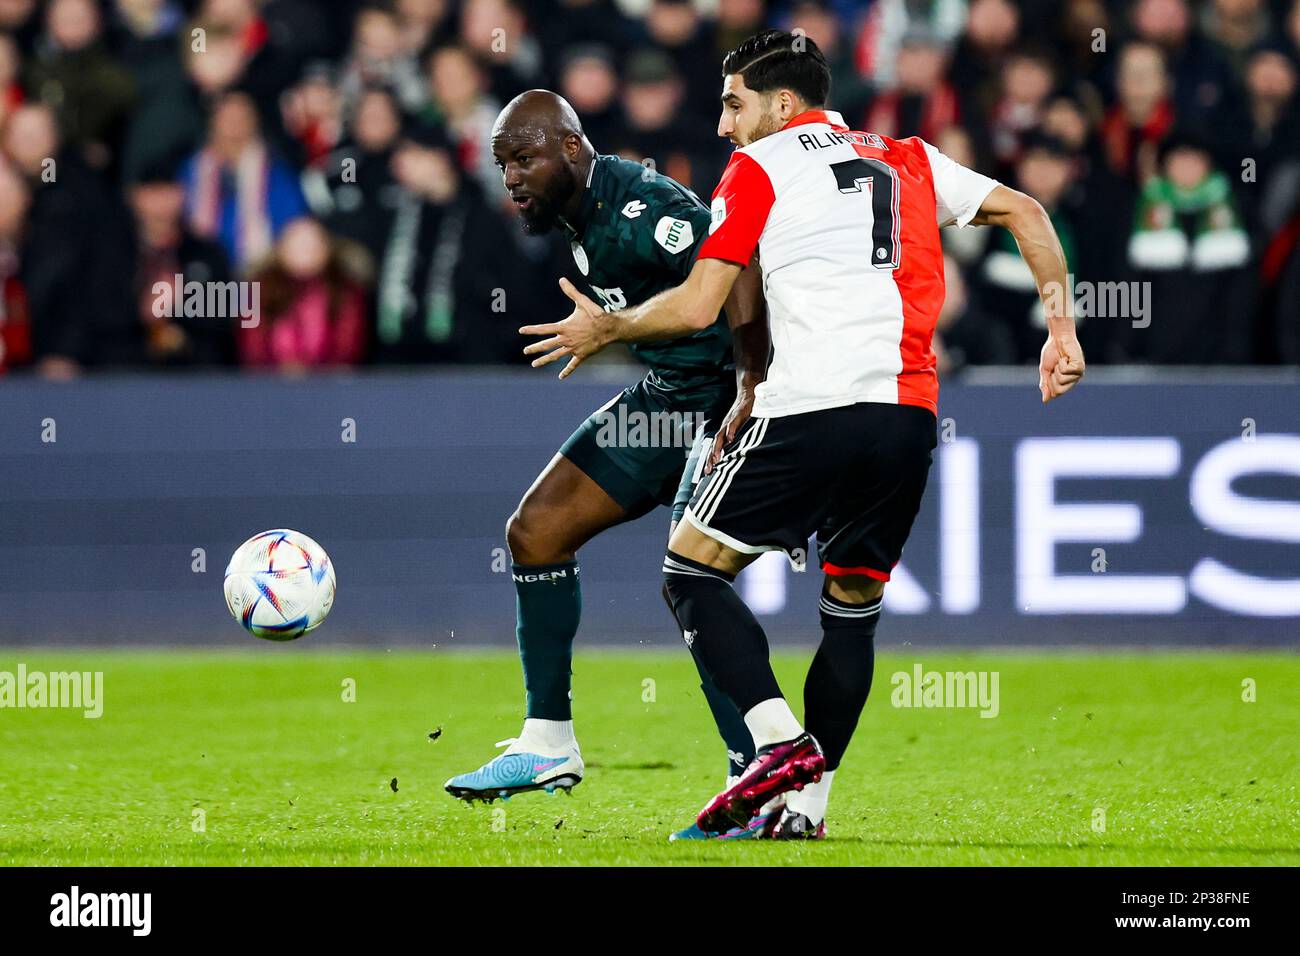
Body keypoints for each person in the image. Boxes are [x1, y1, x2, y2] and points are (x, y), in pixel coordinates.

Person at [522, 30, 1084, 838]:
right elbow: (1026, 211)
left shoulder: (757, 169)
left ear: (782, 105)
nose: (723, 125)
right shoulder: (909, 155)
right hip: (907, 415)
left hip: (809, 406)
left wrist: (607, 328)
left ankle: (778, 742)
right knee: (851, 604)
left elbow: (695, 307)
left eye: (734, 104)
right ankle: (804, 809)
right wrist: (1061, 332)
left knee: (691, 570)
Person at [443, 89, 776, 842]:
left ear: (569, 148)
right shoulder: (577, 214)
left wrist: (753, 388)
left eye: (523, 158)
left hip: (723, 397)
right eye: (501, 166)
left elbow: (741, 265)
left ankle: (755, 772)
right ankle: (548, 743)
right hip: (668, 397)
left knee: (694, 580)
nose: (512, 179)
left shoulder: (643, 209)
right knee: (536, 532)